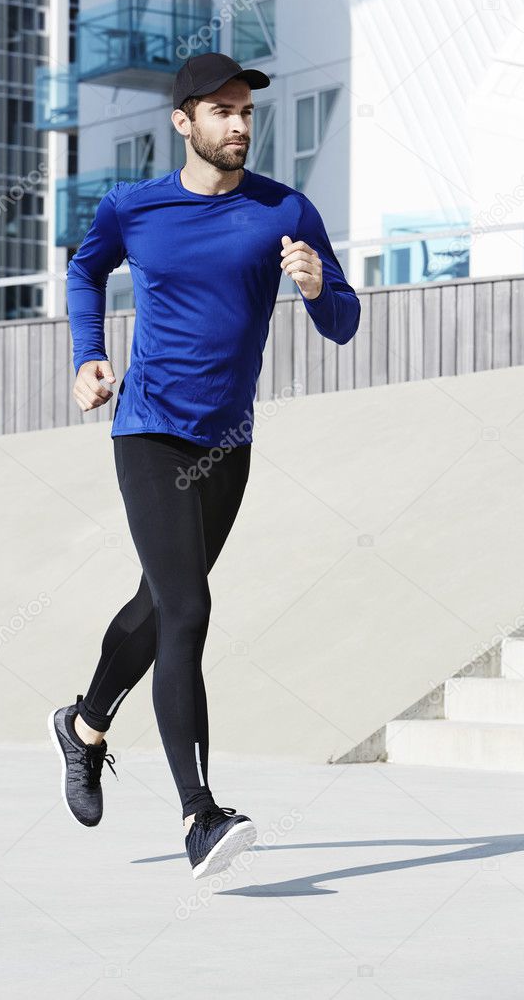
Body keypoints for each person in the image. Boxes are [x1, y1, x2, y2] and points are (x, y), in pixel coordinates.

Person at [48, 52, 361, 880]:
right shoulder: (134, 207)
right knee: (188, 606)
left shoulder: (283, 209)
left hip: (229, 445)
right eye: (221, 111)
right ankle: (200, 813)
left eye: (247, 112)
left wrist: (319, 285)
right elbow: (85, 268)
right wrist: (88, 356)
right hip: (148, 430)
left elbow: (344, 322)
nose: (239, 125)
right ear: (182, 121)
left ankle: (82, 724)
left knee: (159, 602)